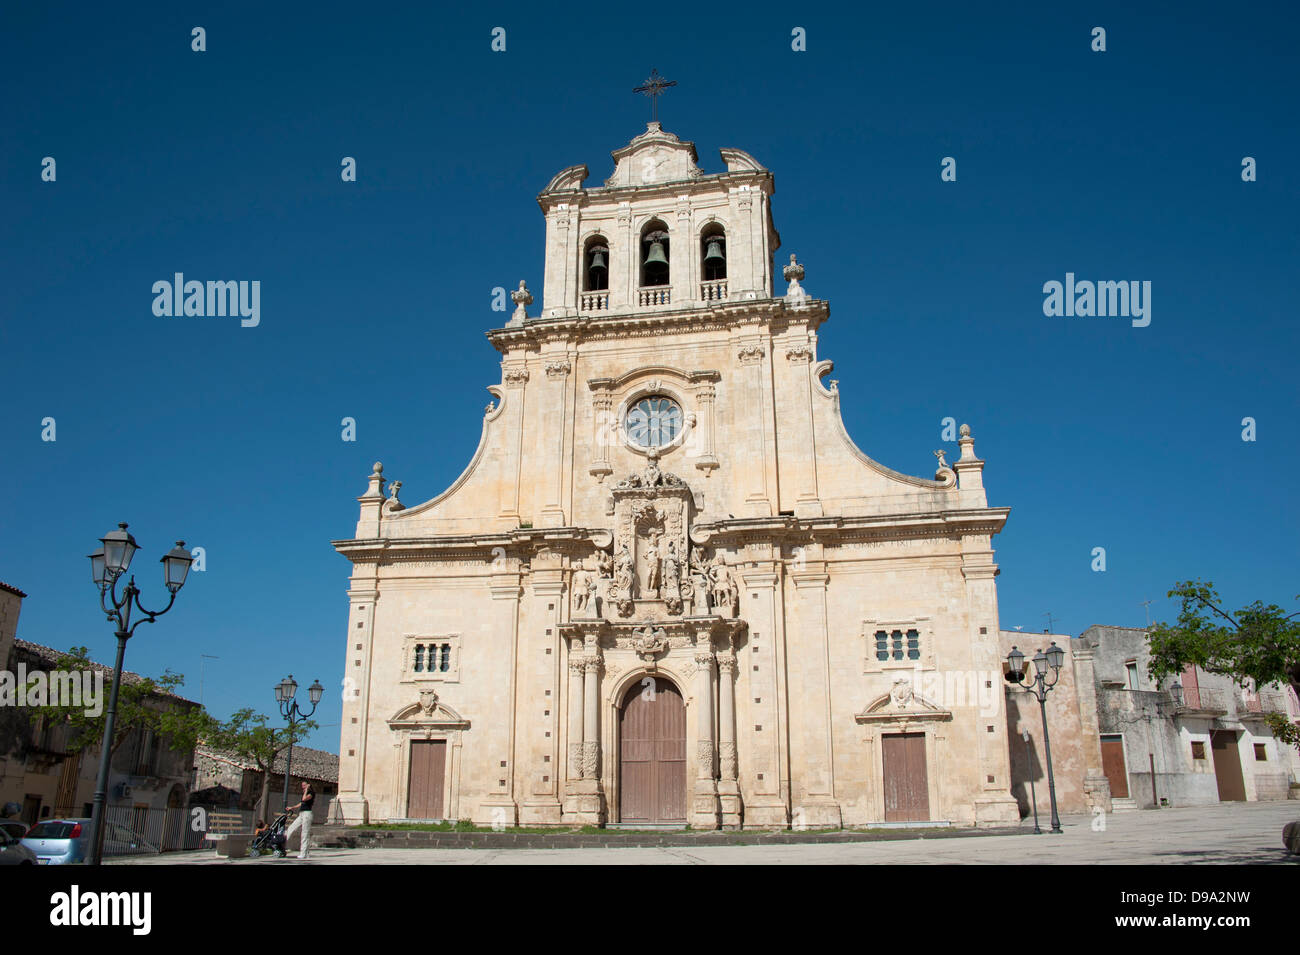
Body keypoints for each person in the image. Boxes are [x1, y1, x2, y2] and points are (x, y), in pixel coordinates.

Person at [284, 782, 315, 859]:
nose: (303, 787)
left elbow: (304, 799)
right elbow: (301, 803)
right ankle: (283, 844)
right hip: (301, 814)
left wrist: (307, 790)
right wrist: (292, 807)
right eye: (302, 785)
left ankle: (304, 853)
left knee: (305, 833)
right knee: (291, 827)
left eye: (304, 785)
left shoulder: (311, 793)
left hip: (307, 814)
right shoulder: (306, 793)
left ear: (308, 785)